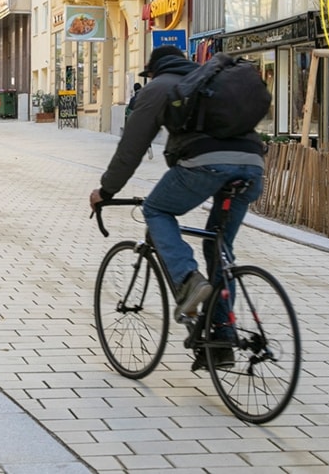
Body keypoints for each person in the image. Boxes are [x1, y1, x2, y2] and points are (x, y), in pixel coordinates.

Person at [89, 45, 266, 328]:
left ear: (154, 70)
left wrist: (107, 191)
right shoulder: (210, 80)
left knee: (156, 209)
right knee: (218, 247)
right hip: (253, 167)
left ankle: (187, 280)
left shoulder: (159, 87)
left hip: (206, 165)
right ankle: (221, 337)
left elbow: (131, 148)